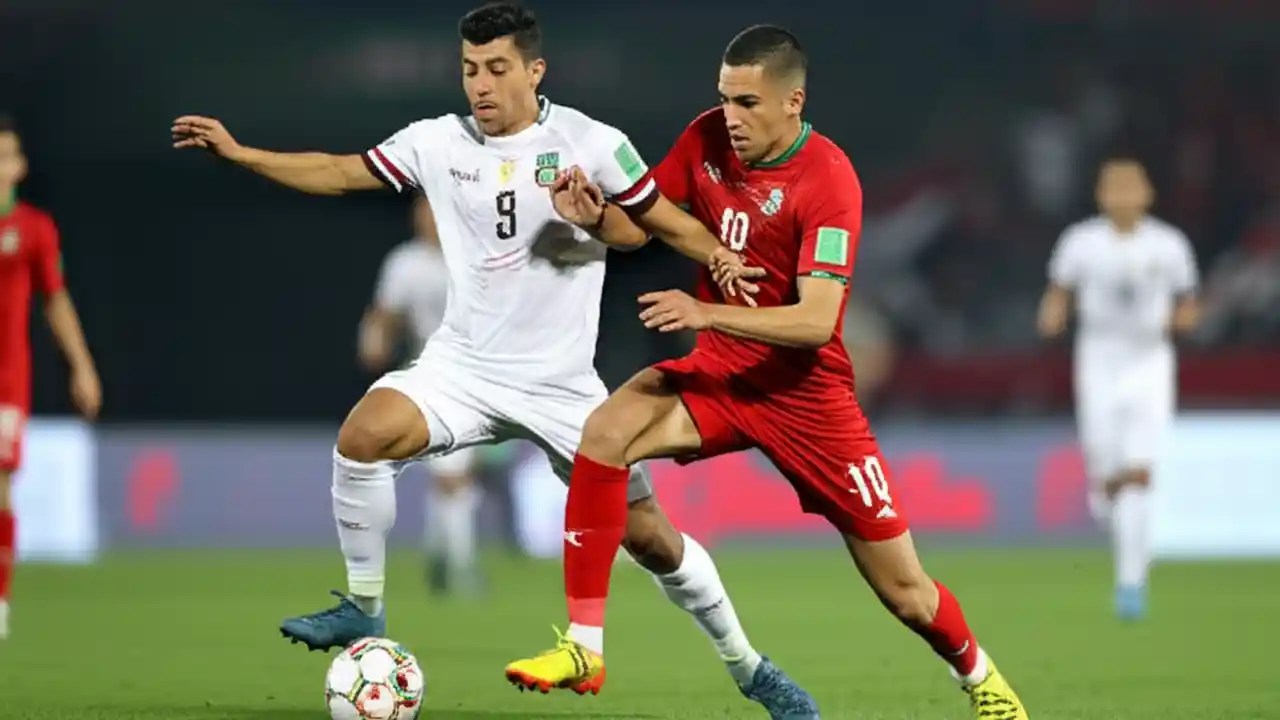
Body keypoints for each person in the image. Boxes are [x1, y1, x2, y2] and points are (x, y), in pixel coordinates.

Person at [171, 3, 815, 715]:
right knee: (362, 436)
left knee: (654, 544)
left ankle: (752, 668)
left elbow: (658, 219)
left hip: (563, 386)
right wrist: (243, 154)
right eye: (470, 69)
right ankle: (364, 607)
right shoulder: (435, 141)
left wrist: (717, 255)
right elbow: (336, 170)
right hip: (464, 370)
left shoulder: (590, 142)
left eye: (497, 69)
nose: (480, 84)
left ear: (534, 71)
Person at [505, 25, 1029, 720]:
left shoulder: (830, 179)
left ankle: (981, 678)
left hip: (807, 397)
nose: (731, 116)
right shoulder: (706, 140)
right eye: (724, 99)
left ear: (793, 101)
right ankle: (584, 646)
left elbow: (816, 320)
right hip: (723, 378)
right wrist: (596, 218)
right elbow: (641, 225)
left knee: (907, 593)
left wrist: (707, 312)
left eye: (748, 102)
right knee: (603, 434)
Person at [1038, 156, 1200, 621]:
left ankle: (1131, 584)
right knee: (1107, 482)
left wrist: (1181, 321)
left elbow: (1188, 301)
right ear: (1101, 194)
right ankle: (1129, 535)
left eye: (1133, 187)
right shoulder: (1081, 242)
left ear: (1147, 194)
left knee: (1138, 472)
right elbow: (1058, 292)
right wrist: (1052, 314)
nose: (1124, 196)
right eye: (1115, 187)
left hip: (1150, 363)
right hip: (1098, 362)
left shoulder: (1168, 245)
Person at [0, 114, 102, 640]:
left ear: (19, 166)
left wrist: (81, 366)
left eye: (4, 157)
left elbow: (55, 300)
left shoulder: (34, 229)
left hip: (5, 382)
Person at [359, 194, 482, 596]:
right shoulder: (405, 263)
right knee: (453, 476)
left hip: (481, 376)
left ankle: (440, 557)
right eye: (422, 211)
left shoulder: (476, 256)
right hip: (429, 375)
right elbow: (386, 312)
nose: (428, 220)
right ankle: (460, 569)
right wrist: (374, 339)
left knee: (453, 476)